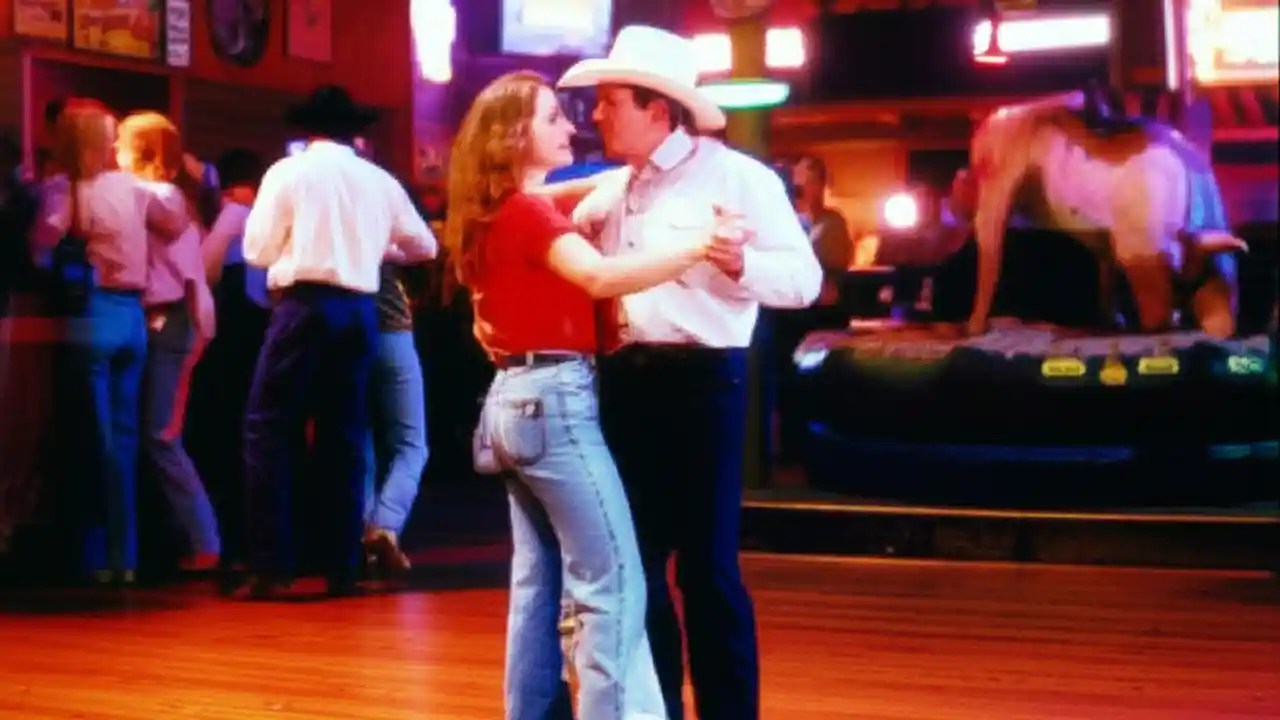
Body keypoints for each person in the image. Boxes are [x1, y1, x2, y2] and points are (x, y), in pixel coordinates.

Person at [557, 25, 823, 720]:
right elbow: (556, 225)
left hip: (705, 381)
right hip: (625, 381)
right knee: (635, 566)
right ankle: (659, 710)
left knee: (707, 567)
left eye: (612, 101)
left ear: (658, 109)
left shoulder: (740, 178)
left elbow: (804, 280)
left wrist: (739, 263)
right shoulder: (613, 189)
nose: (597, 115)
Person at [449, 69, 717, 720]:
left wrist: (632, 174)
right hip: (554, 404)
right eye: (551, 119)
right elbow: (598, 276)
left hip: (511, 403)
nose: (571, 125)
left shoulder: (491, 211)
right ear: (512, 135)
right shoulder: (527, 213)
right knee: (613, 583)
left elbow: (577, 189)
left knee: (537, 585)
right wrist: (700, 247)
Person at [238, 85, 437, 598]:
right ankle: (343, 565)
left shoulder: (288, 173)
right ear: (356, 132)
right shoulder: (378, 179)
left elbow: (257, 250)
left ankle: (272, 566)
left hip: (303, 304)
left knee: (269, 429)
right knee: (345, 435)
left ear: (308, 129)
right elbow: (425, 246)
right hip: (359, 310)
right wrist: (374, 245)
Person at [32, 99, 189, 584]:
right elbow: (176, 222)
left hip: (92, 311)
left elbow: (42, 245)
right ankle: (126, 556)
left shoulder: (64, 189)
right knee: (123, 442)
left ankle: (93, 555)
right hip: (133, 319)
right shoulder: (135, 189)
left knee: (90, 438)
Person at [115, 111, 221, 572]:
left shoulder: (155, 195)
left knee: (161, 435)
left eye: (118, 142)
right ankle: (189, 538)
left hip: (172, 321)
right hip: (173, 320)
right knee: (155, 433)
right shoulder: (172, 196)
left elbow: (170, 228)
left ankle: (205, 541)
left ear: (137, 151)